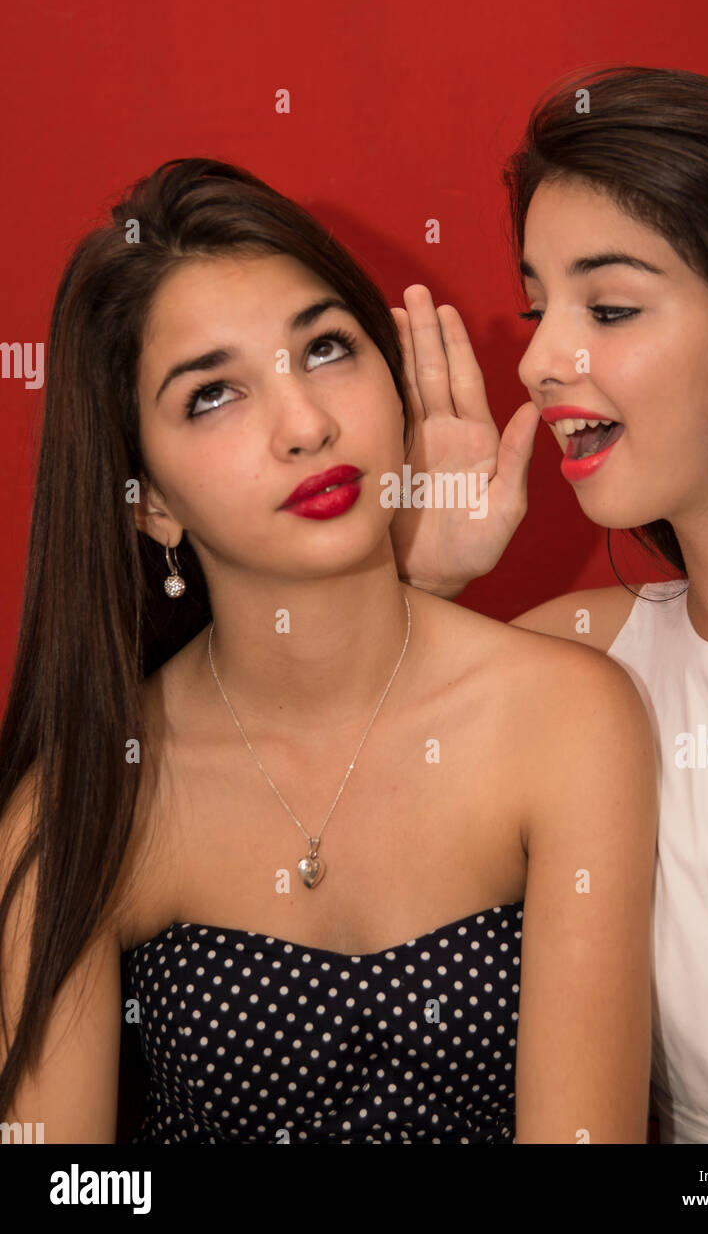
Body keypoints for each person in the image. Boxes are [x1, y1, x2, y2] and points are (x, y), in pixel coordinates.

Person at [0, 157, 656, 1144]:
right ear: (151, 501)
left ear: (396, 388)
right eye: (214, 395)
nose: (305, 425)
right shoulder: (87, 799)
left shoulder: (567, 715)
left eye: (327, 350)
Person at [389, 65, 708, 1144]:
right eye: (538, 306)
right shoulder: (580, 668)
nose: (547, 359)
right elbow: (324, 814)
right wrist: (425, 575)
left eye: (608, 306)